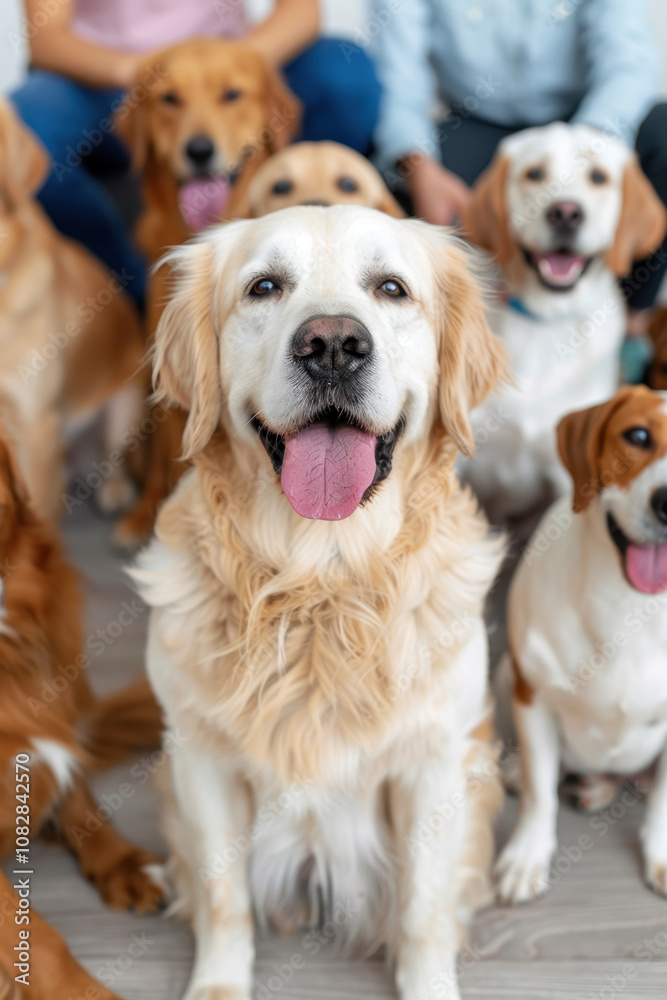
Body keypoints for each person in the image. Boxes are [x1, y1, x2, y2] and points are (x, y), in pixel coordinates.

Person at [11, 0, 381, 308]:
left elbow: (302, 10)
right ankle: (129, 293)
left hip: (230, 59)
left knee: (343, 71)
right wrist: (142, 72)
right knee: (31, 122)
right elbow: (47, 38)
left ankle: (329, 258)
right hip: (110, 74)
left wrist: (238, 61)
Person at [372, 0, 667, 340]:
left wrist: (582, 155)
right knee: (395, 188)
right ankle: (453, 332)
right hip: (478, 121)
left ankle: (633, 324)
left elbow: (629, 64)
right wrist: (418, 168)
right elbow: (397, 81)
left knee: (663, 134)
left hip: (584, 121)